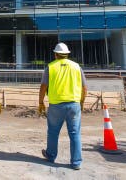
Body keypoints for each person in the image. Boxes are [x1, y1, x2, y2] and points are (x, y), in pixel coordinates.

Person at [38, 42, 87, 170]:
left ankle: (51, 156)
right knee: (75, 133)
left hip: (56, 105)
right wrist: (81, 102)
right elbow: (84, 87)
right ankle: (76, 163)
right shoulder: (77, 67)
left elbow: (43, 86)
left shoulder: (50, 67)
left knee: (53, 132)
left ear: (56, 54)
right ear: (67, 54)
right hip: (74, 104)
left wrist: (40, 102)